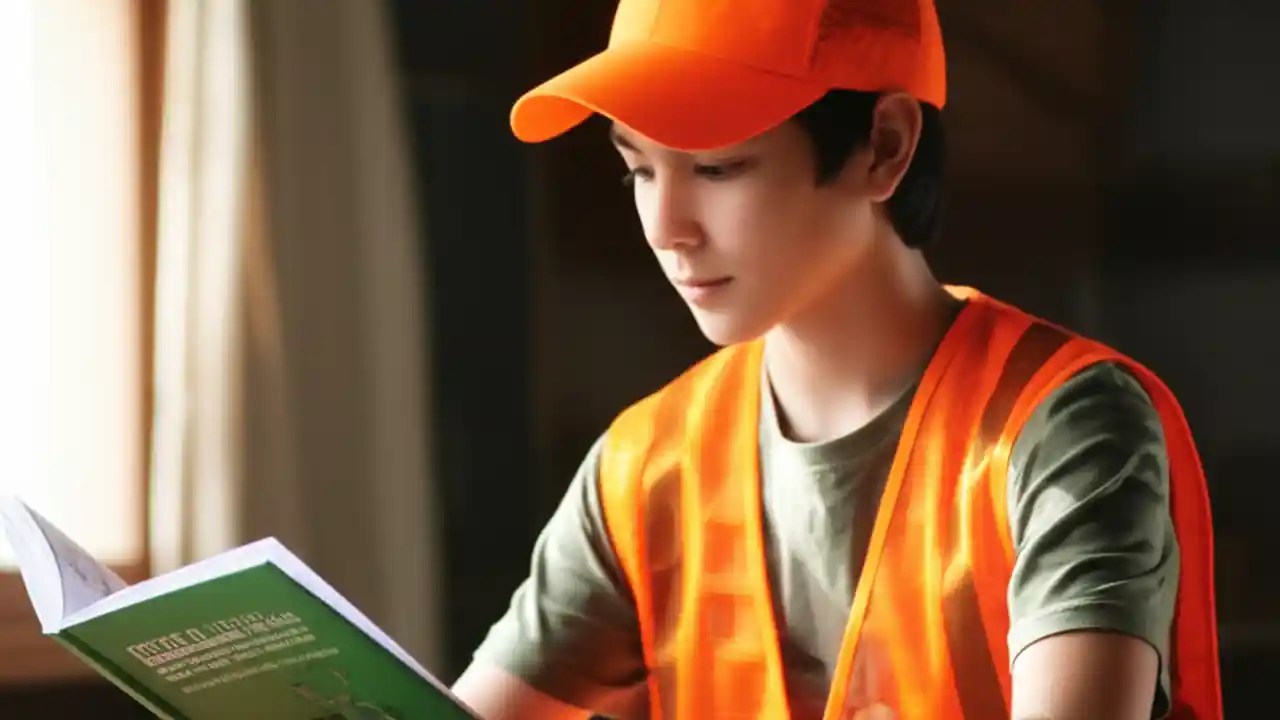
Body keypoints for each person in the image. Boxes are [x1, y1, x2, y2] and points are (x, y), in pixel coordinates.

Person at [452, 0, 1223, 718]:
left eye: (717, 167)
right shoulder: (646, 470)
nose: (665, 226)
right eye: (639, 170)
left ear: (884, 147)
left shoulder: (1060, 429)